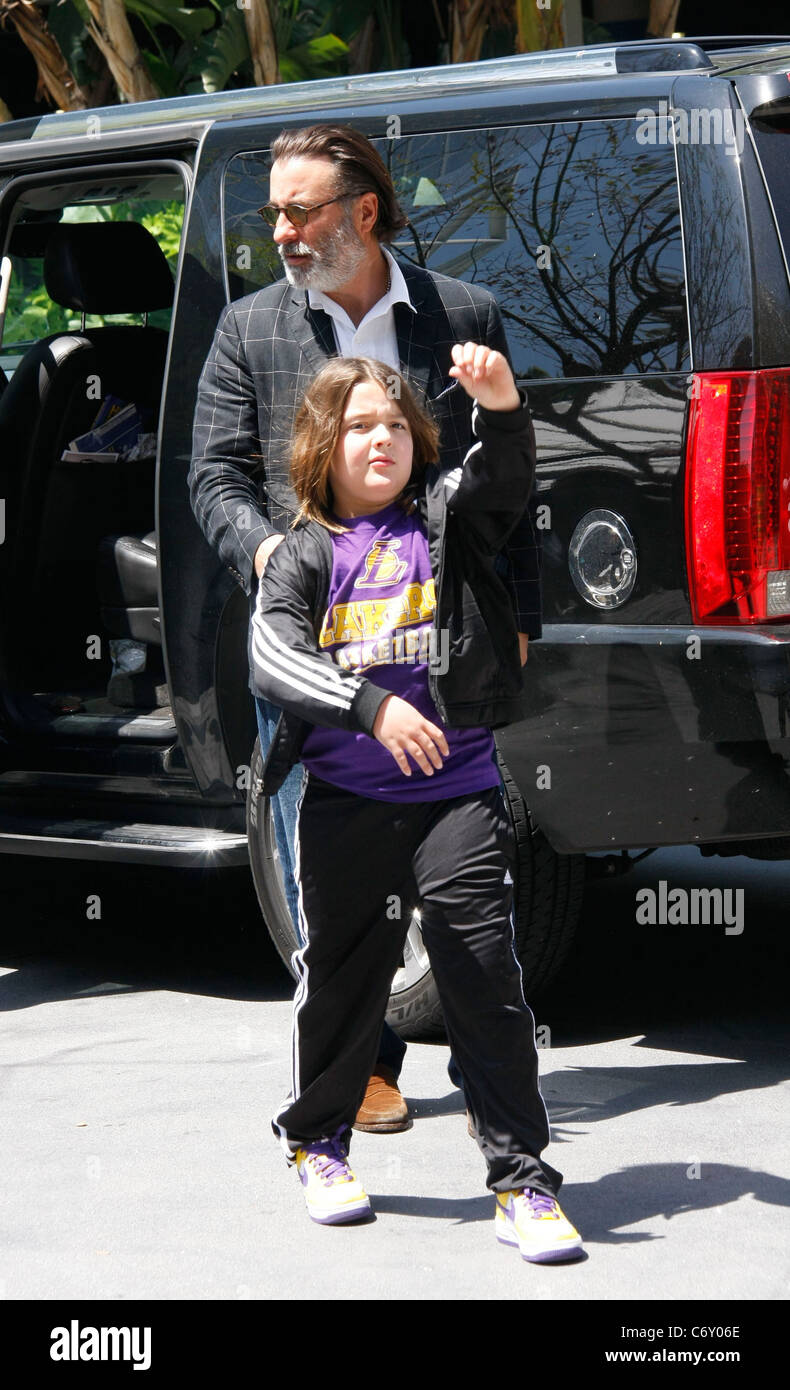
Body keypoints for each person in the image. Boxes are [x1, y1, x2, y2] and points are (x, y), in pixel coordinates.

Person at [189, 122, 542, 1133]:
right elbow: (212, 476)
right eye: (275, 216)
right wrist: (263, 553)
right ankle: (365, 1064)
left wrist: (519, 611)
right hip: (315, 649)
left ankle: (488, 1055)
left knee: (464, 855)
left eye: (302, 212)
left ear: (364, 212)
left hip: (443, 640)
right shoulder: (250, 329)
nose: (286, 234)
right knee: (334, 872)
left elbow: (510, 479)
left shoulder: (460, 313)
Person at [249, 343, 582, 1264]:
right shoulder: (305, 555)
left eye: (396, 425)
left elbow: (505, 481)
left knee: (483, 969)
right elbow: (269, 660)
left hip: (460, 791)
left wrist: (504, 406)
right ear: (325, 446)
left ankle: (522, 1181)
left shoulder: (445, 519)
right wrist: (371, 705)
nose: (381, 439)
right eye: (359, 427)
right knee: (348, 977)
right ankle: (318, 1142)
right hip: (349, 805)